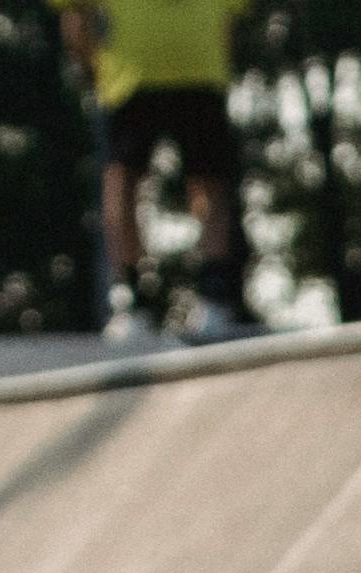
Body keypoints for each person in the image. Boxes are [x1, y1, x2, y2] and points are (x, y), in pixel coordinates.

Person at [69, 0, 262, 338]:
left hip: (171, 71)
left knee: (188, 181)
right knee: (140, 179)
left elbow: (76, 20)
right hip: (156, 71)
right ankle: (147, 296)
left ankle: (204, 296)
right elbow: (77, 15)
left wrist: (93, 66)